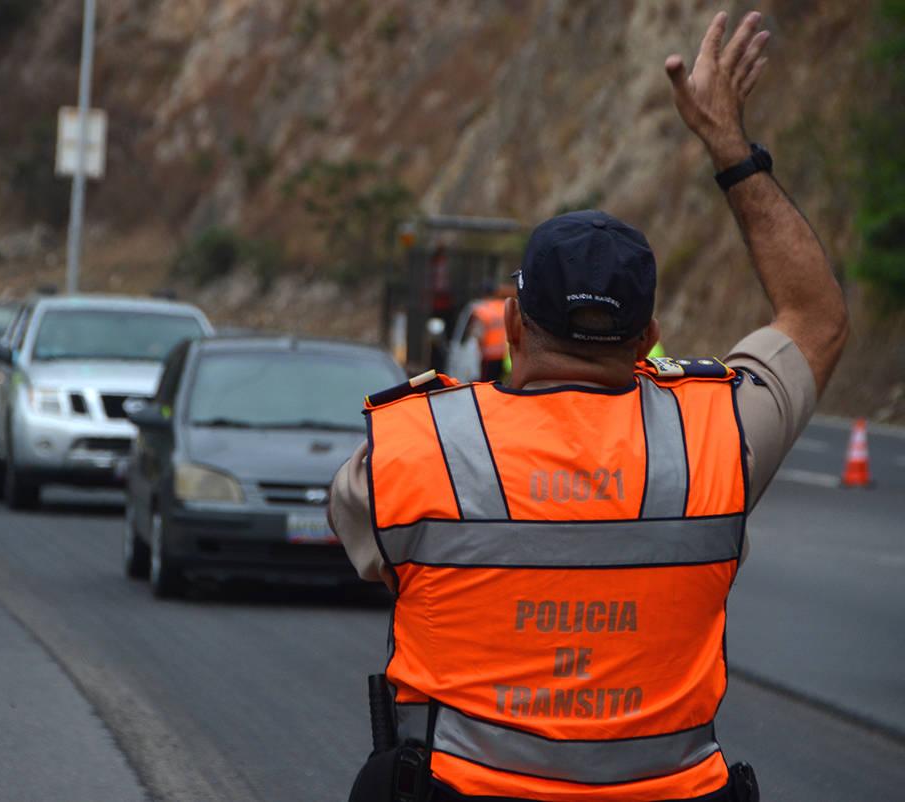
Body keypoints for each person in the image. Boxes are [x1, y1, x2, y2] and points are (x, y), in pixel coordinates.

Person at [333, 12, 848, 802]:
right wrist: (730, 147)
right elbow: (816, 317)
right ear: (649, 337)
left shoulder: (413, 450)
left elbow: (359, 532)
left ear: (511, 325)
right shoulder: (719, 437)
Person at [466, 279, 515, 382]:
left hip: (488, 356)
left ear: (483, 293)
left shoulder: (481, 310)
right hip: (505, 356)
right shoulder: (504, 306)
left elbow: (477, 334)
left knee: (488, 384)